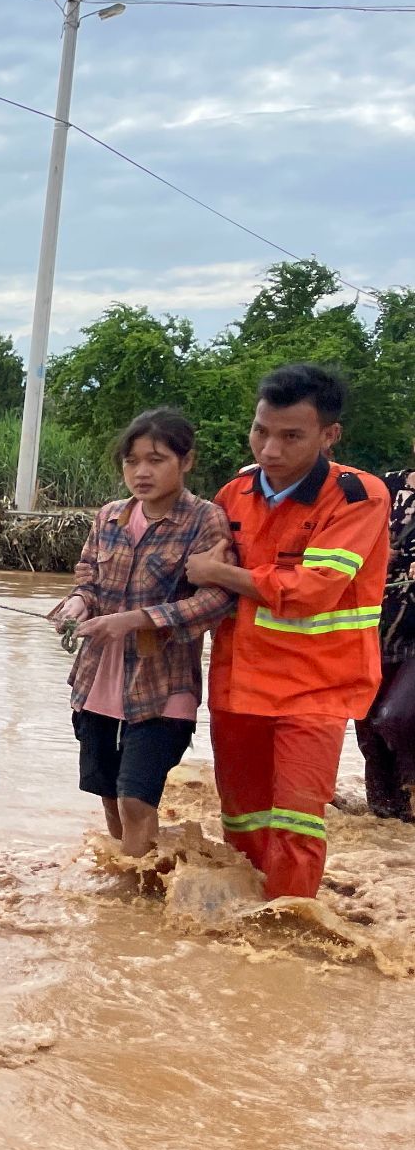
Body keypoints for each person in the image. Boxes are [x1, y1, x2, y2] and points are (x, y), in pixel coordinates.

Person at [188, 363, 389, 899]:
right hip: (238, 683)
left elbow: (311, 591)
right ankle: (251, 932)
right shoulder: (235, 494)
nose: (270, 449)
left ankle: (290, 928)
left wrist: (221, 573)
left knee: (298, 820)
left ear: (330, 436)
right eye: (261, 431)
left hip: (316, 686)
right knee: (243, 818)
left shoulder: (357, 497)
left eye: (291, 436)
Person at [50, 409, 236, 858]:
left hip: (163, 684)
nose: (142, 472)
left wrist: (138, 620)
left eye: (156, 460)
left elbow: (219, 599)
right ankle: (130, 890)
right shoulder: (109, 516)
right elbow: (88, 579)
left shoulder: (205, 520)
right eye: (132, 461)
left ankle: (134, 900)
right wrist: (77, 603)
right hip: (98, 679)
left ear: (186, 461)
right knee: (109, 794)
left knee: (137, 796)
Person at [352, 426, 414, 820]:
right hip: (374, 619)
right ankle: (385, 821)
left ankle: (408, 797)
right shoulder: (384, 487)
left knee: (398, 718)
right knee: (369, 725)